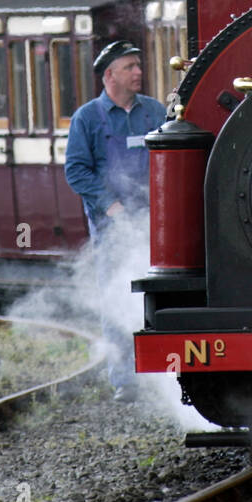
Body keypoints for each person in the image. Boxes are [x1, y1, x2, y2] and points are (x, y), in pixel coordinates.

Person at [64, 40, 167, 401]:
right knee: (115, 294)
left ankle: (162, 375)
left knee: (161, 295)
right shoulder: (87, 118)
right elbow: (76, 171)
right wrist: (110, 206)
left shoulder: (155, 112)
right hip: (111, 225)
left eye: (138, 65)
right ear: (109, 75)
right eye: (130, 67)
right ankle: (124, 379)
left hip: (155, 221)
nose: (139, 72)